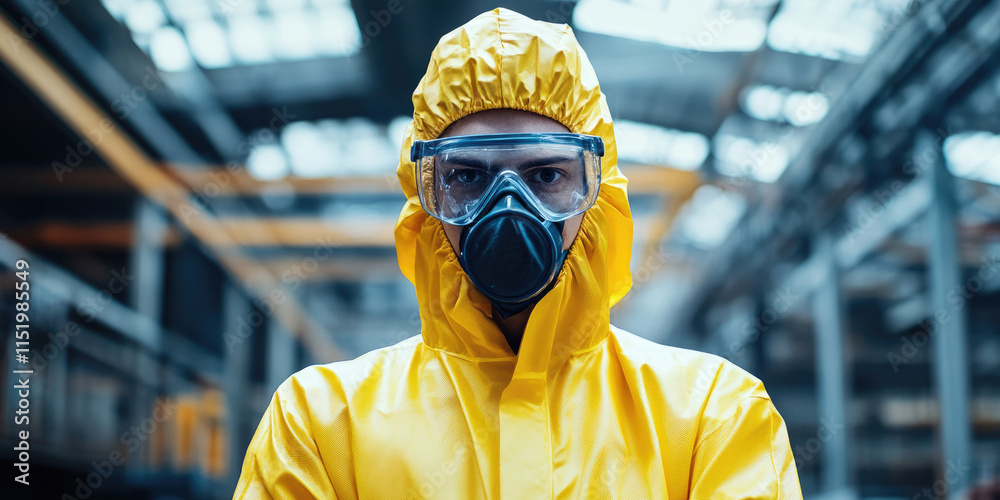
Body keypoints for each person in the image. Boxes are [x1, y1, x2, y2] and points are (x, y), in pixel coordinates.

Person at [234, 8, 802, 499]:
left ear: (597, 192)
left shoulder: (713, 416)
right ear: (424, 198)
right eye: (466, 177)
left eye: (548, 175)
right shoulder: (318, 424)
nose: (509, 207)